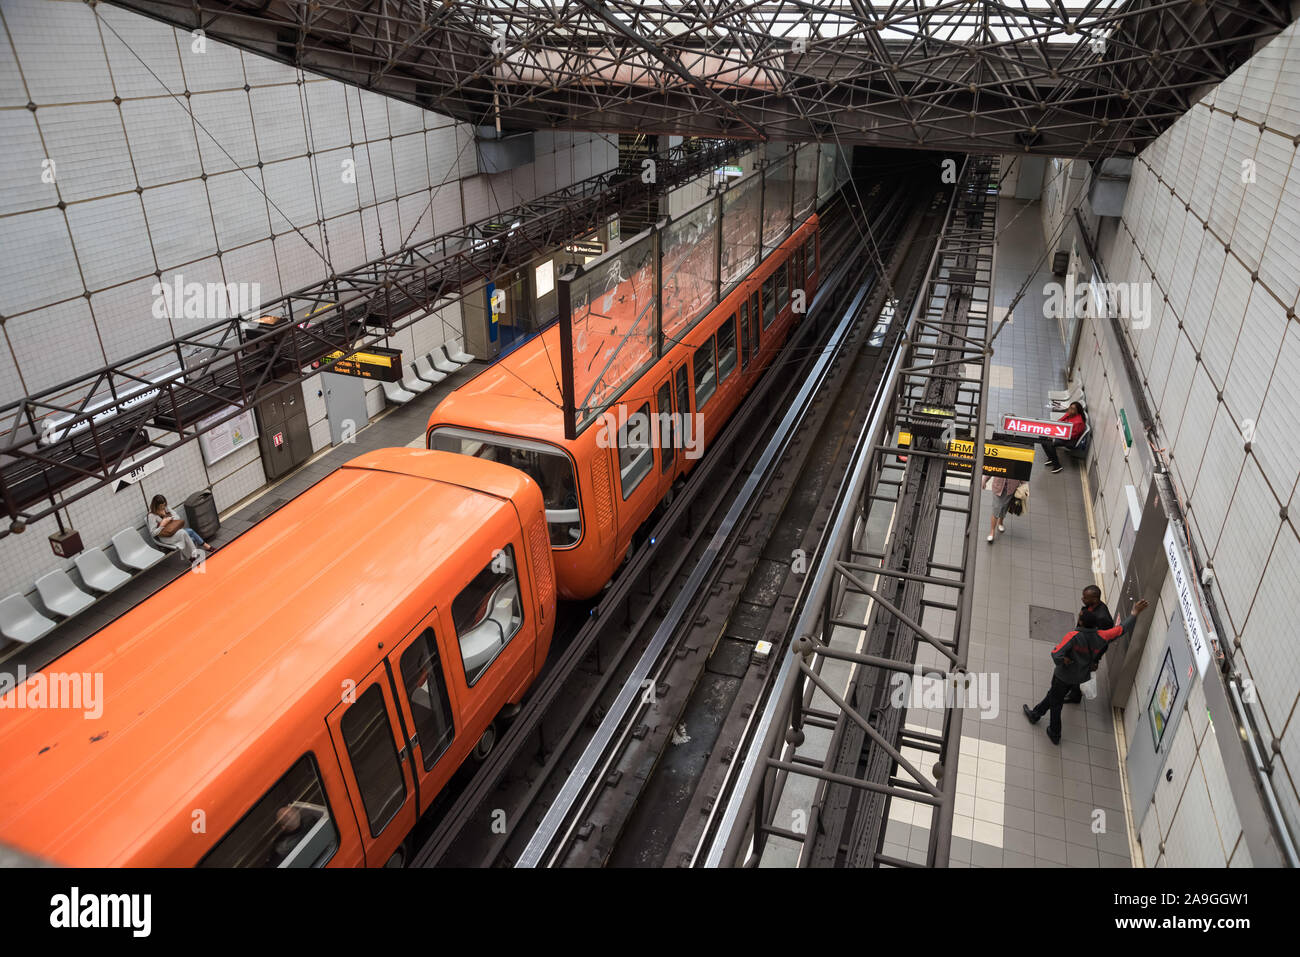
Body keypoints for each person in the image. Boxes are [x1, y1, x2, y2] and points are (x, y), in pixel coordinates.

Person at [1023, 599, 1149, 744]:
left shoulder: (1073, 636)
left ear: (1081, 622)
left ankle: (1054, 733)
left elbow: (1056, 654)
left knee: (1056, 703)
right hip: (1080, 675)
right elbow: (1121, 629)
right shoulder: (1102, 636)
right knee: (1053, 695)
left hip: (1063, 676)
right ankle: (1036, 714)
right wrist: (1134, 613)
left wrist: (1063, 660)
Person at [1063, 585, 1114, 703]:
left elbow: (1103, 642)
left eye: (1085, 598)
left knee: (1078, 670)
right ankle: (1074, 694)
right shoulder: (1089, 607)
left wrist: (1095, 660)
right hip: (1080, 645)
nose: (1082, 599)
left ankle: (1073, 694)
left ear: (1095, 599)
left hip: (1087, 652)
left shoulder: (1103, 619)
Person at [147, 494, 213, 560]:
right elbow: (153, 533)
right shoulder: (152, 516)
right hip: (165, 537)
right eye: (160, 506)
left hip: (174, 531)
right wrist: (162, 525)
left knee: (187, 533)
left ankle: (193, 557)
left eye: (164, 505)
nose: (163, 507)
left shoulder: (166, 508)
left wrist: (167, 517)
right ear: (155, 506)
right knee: (184, 533)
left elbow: (177, 517)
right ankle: (195, 554)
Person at [1041, 401, 1087, 473]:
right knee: (1042, 437)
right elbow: (1059, 422)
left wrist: (1054, 436)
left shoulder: (1078, 422)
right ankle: (1051, 458)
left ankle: (1057, 465)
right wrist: (1052, 432)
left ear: (1077, 412)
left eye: (1072, 409)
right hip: (1062, 434)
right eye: (1070, 407)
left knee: (1050, 442)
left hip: (1070, 440)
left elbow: (1071, 435)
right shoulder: (1069, 414)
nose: (1070, 409)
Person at [982, 474, 1025, 543]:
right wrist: (984, 480)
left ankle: (1000, 522)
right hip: (998, 488)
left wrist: (1024, 486)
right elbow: (992, 470)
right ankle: (992, 532)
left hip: (1011, 490)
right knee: (996, 510)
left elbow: (1021, 473)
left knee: (1004, 508)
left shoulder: (1019, 462)